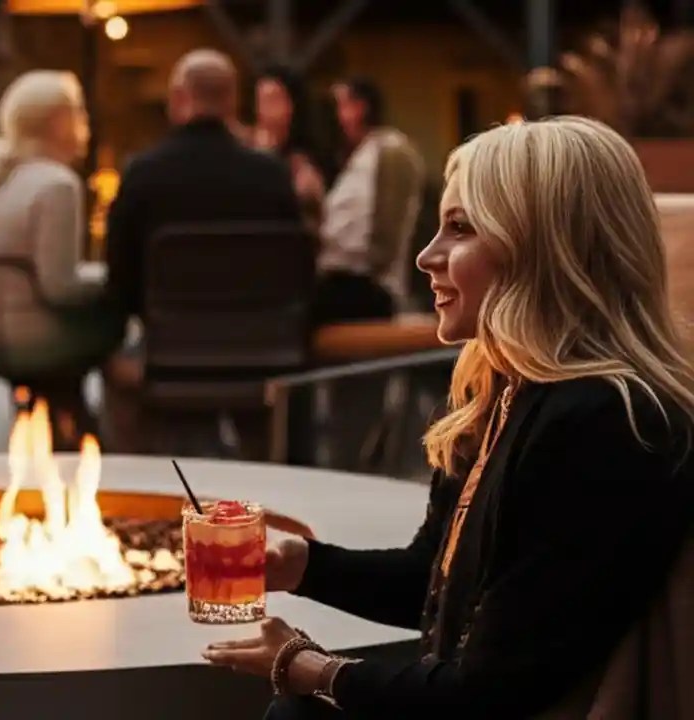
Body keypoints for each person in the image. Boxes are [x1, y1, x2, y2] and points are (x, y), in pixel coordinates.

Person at [202, 116, 694, 718]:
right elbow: (435, 583)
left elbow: (492, 693)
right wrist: (303, 564)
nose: (425, 256)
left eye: (459, 229)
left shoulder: (604, 422)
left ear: (539, 247)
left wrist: (306, 666)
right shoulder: (504, 389)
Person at [0, 70, 124, 444]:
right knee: (127, 328)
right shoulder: (56, 184)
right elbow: (60, 286)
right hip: (34, 341)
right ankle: (113, 445)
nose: (84, 122)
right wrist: (118, 278)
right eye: (79, 112)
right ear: (60, 122)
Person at [105, 49, 303, 319]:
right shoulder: (272, 175)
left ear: (177, 99)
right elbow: (295, 267)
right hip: (257, 338)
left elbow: (120, 278)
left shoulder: (143, 173)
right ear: (233, 102)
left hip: (169, 342)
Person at [315, 77, 425, 323]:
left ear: (361, 107)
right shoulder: (353, 158)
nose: (336, 116)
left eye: (342, 105)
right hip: (338, 273)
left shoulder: (390, 151)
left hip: (371, 283)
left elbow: (390, 228)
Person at [251, 65, 329, 236]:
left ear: (293, 105)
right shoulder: (247, 147)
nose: (263, 111)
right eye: (259, 101)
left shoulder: (306, 165)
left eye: (272, 100)